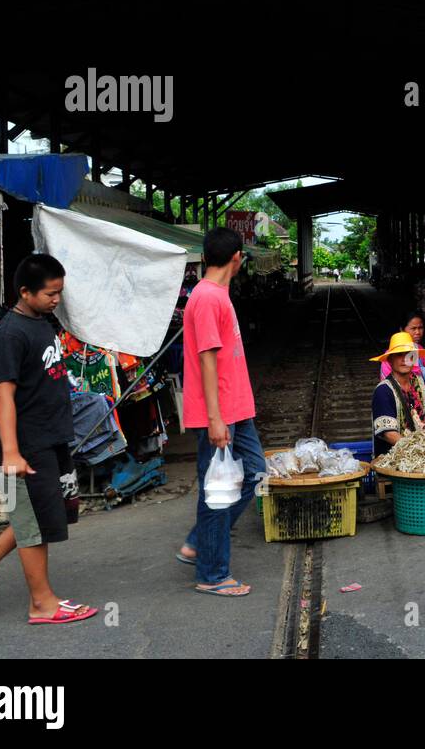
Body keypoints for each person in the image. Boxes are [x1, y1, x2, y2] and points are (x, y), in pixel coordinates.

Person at [0, 253, 99, 625]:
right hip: (23, 445)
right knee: (35, 522)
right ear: (25, 292)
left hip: (50, 438)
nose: (56, 299)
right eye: (50, 293)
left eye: (59, 293)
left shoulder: (42, 323)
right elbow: (3, 395)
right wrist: (10, 452)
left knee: (48, 515)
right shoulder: (10, 333)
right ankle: (42, 604)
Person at [176, 228, 266, 597]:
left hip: (235, 407)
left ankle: (199, 540)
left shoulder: (213, 295)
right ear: (237, 258)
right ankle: (212, 574)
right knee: (218, 490)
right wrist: (215, 418)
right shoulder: (208, 298)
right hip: (221, 411)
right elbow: (207, 359)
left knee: (256, 472)